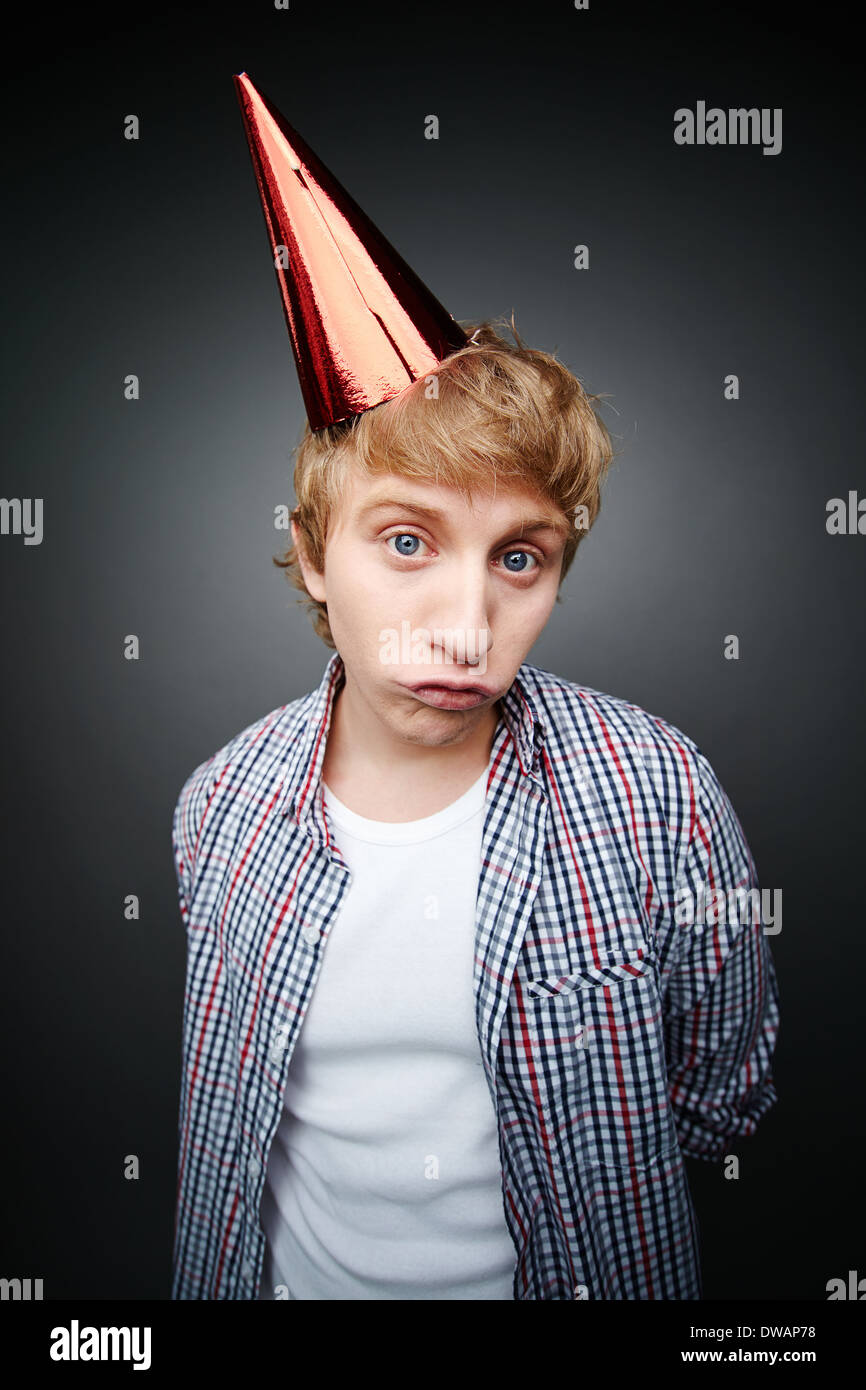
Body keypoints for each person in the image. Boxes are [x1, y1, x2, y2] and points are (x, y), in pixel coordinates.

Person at [169, 73, 779, 1301]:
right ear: (310, 552)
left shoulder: (658, 791)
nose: (463, 625)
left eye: (518, 557)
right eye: (404, 542)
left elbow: (724, 1093)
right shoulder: (219, 811)